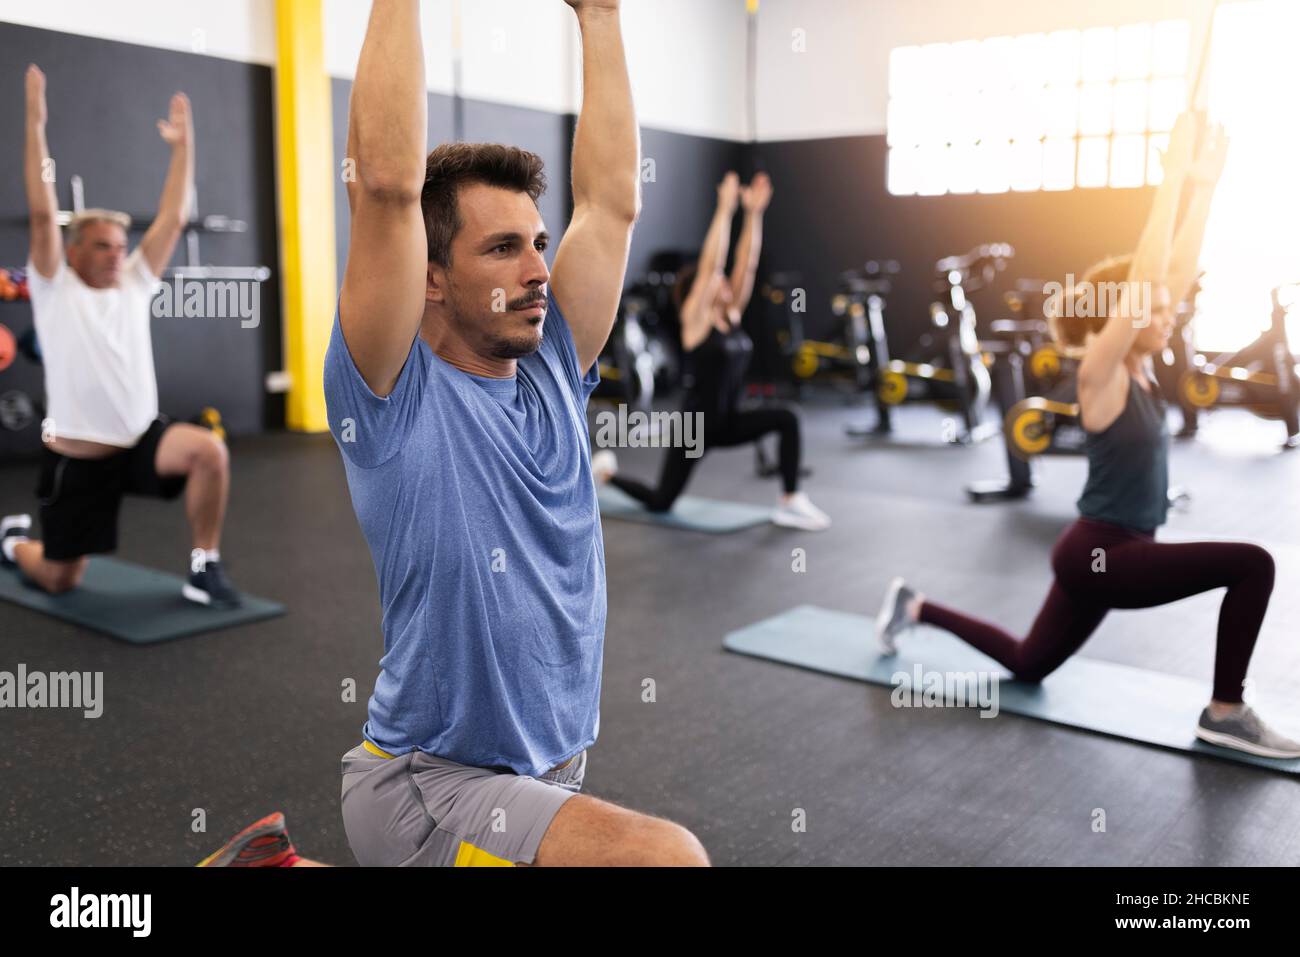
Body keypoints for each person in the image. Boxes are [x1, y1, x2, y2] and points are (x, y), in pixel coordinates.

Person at [323, 0, 708, 866]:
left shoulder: (551, 369)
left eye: (538, 242)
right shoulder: (390, 391)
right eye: (502, 249)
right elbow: (385, 183)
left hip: (546, 776)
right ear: (428, 276)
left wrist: (600, 17)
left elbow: (609, 206)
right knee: (665, 860)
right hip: (432, 786)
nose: (539, 269)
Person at [875, 111, 1300, 760]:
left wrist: (1205, 186)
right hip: (1106, 554)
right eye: (1153, 309)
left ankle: (916, 605)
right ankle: (1226, 709)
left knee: (1027, 663)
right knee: (1254, 565)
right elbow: (1143, 286)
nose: (1167, 311)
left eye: (1166, 306)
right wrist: (1166, 184)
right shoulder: (1101, 374)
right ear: (1118, 320)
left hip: (1092, 551)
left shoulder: (1145, 367)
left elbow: (1172, 272)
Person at [0, 64, 241, 608]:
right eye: (103, 246)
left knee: (210, 453)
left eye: (119, 244)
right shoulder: (54, 287)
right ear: (75, 249)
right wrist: (35, 123)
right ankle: (14, 543)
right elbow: (42, 215)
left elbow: (173, 218)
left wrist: (184, 145)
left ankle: (205, 565)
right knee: (61, 580)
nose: (117, 254)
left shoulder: (134, 281)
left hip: (140, 442)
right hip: (78, 459)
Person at [594, 171, 830, 530]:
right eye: (715, 280)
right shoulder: (696, 321)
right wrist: (724, 209)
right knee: (661, 502)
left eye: (722, 280)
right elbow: (712, 265)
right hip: (695, 427)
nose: (722, 281)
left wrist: (754, 214)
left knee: (788, 417)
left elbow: (746, 263)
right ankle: (607, 474)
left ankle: (791, 499)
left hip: (729, 421)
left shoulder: (731, 315)